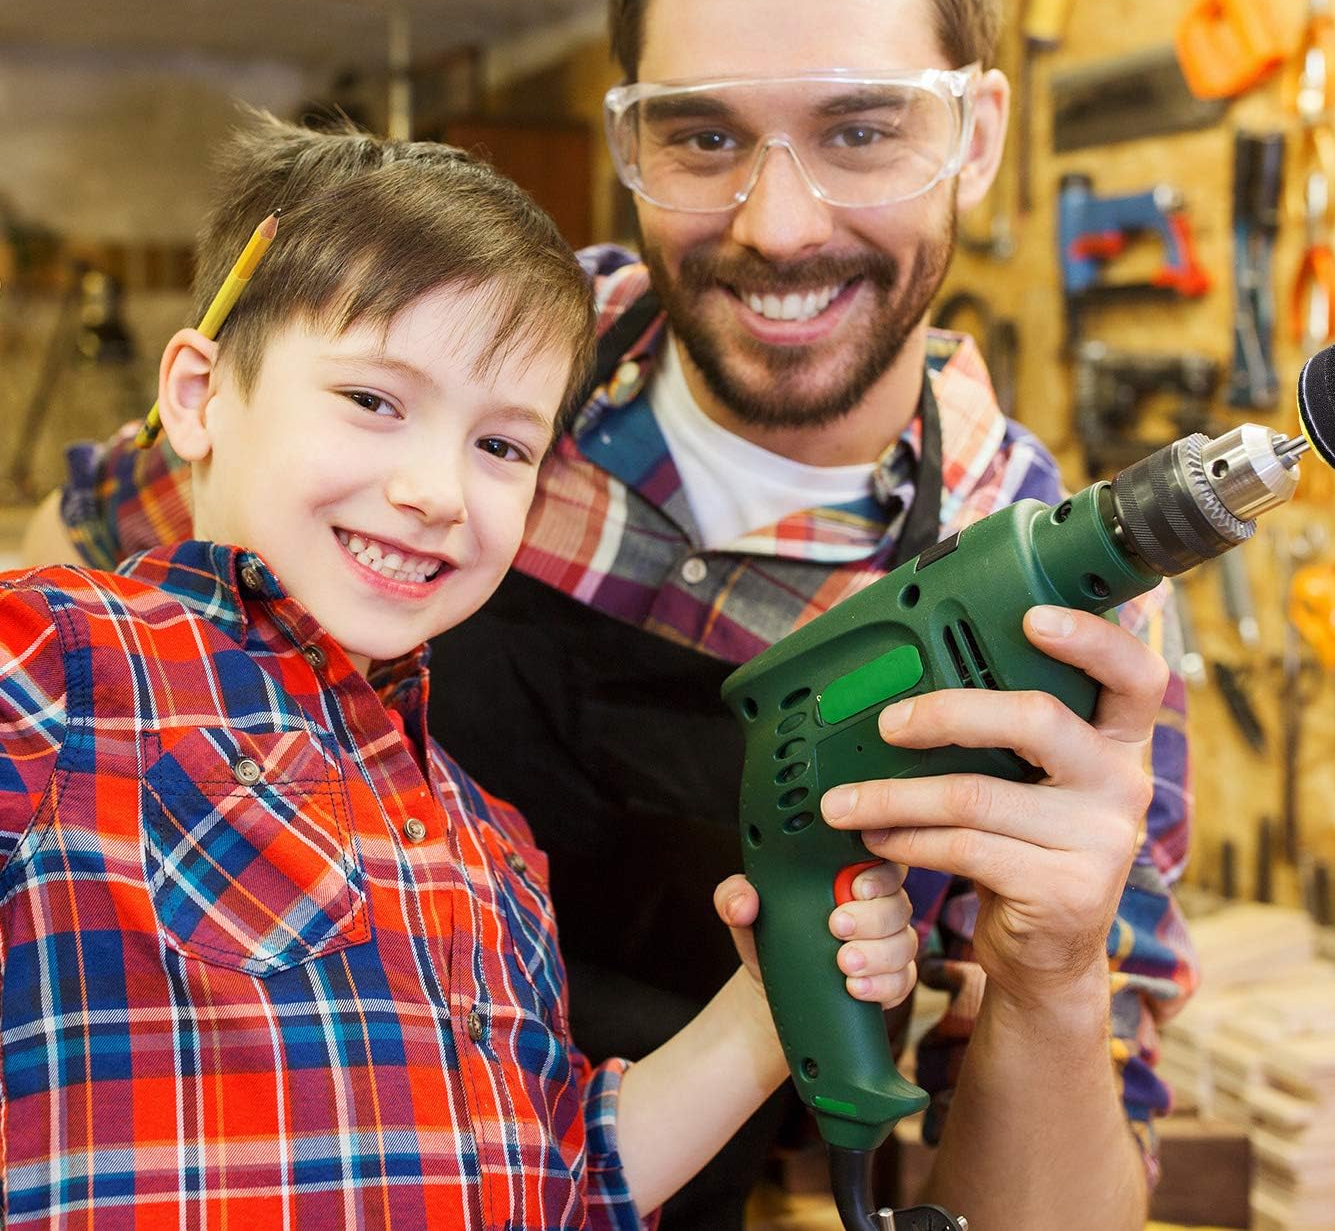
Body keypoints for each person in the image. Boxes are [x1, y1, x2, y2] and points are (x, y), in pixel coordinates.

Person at [24, 0, 1193, 1229]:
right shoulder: (456, 347)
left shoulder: (1055, 617)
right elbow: (75, 547)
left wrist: (1054, 984)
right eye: (704, 136)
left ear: (977, 132)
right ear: (631, 132)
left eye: (861, 129)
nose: (776, 220)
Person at [0, 116, 921, 1227]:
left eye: (500, 447)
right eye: (374, 401)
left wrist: (768, 1010)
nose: (438, 489)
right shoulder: (62, 663)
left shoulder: (495, 851)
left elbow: (573, 1180)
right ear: (198, 397)